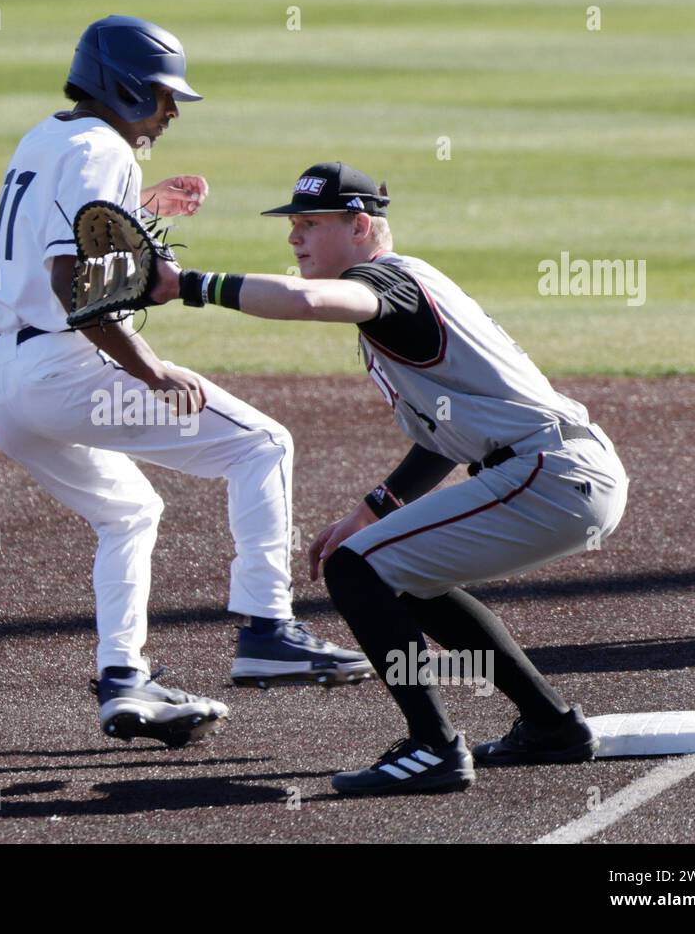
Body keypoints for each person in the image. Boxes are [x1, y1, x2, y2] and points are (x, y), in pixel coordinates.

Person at [148, 161, 629, 791]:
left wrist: (187, 285)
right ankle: (550, 725)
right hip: (558, 471)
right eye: (293, 224)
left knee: (357, 568)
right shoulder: (404, 291)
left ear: (360, 225)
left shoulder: (388, 285)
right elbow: (442, 440)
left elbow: (304, 299)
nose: (295, 238)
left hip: (550, 472)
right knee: (402, 573)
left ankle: (434, 748)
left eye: (311, 223)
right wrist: (374, 509)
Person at [0, 21, 369, 749]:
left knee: (128, 513)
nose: (171, 112)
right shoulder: (105, 148)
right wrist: (151, 372)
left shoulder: (48, 137)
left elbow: (53, 243)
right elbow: (72, 283)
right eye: (162, 95)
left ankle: (124, 681)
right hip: (63, 369)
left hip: (2, 384)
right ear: (123, 86)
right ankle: (268, 632)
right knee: (262, 446)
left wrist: (143, 207)